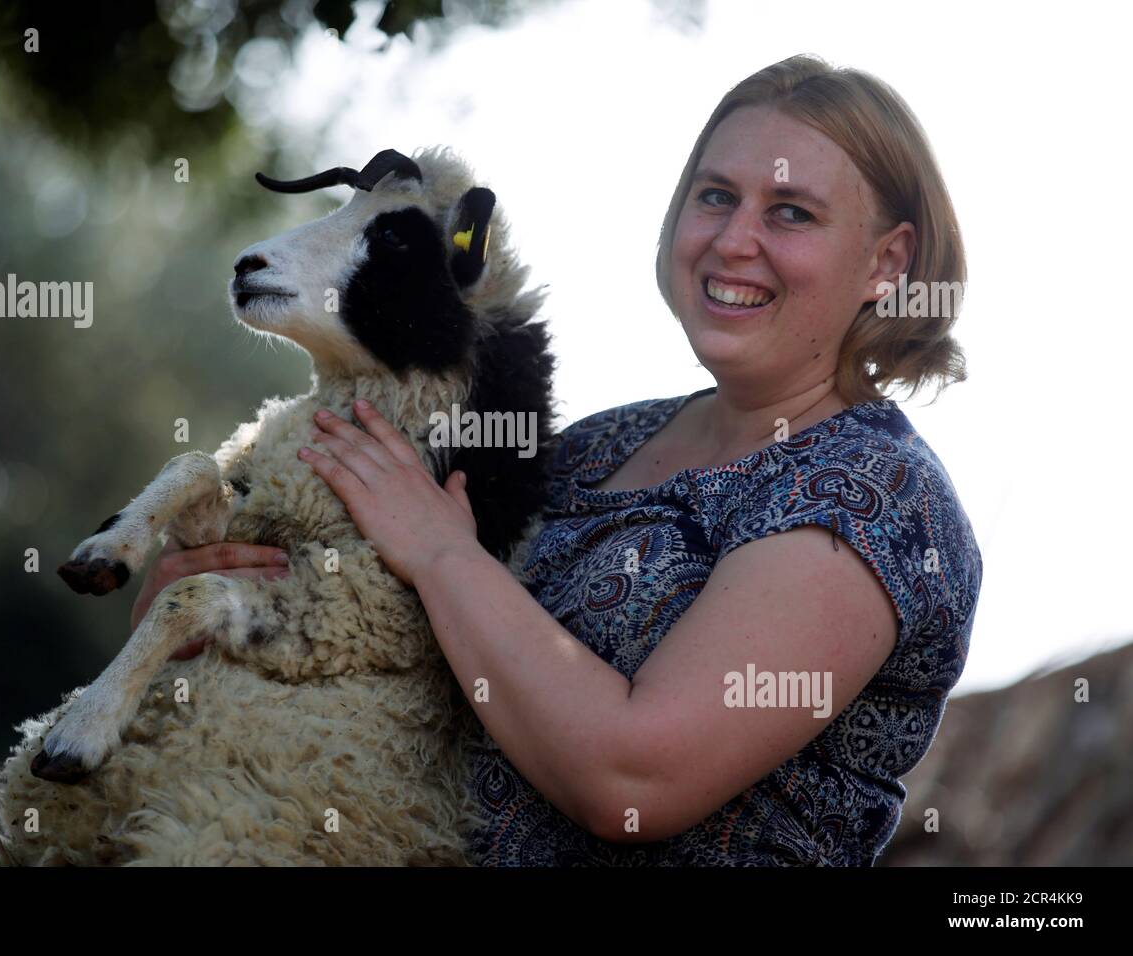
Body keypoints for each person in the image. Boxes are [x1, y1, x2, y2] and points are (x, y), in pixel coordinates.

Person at [132, 53, 983, 866]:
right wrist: (199, 608)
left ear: (888, 262)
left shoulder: (873, 496)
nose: (733, 240)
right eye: (715, 196)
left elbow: (633, 779)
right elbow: (380, 643)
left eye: (791, 212)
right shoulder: (598, 444)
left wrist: (441, 554)